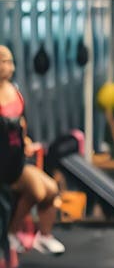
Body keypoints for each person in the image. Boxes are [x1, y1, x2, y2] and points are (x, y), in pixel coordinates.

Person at [0, 45, 64, 255]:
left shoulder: (14, 90)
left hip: (17, 159)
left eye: (10, 61)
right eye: (3, 61)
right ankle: (11, 232)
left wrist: (26, 140)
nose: (8, 66)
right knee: (37, 190)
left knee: (52, 189)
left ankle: (43, 237)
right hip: (4, 164)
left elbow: (21, 123)